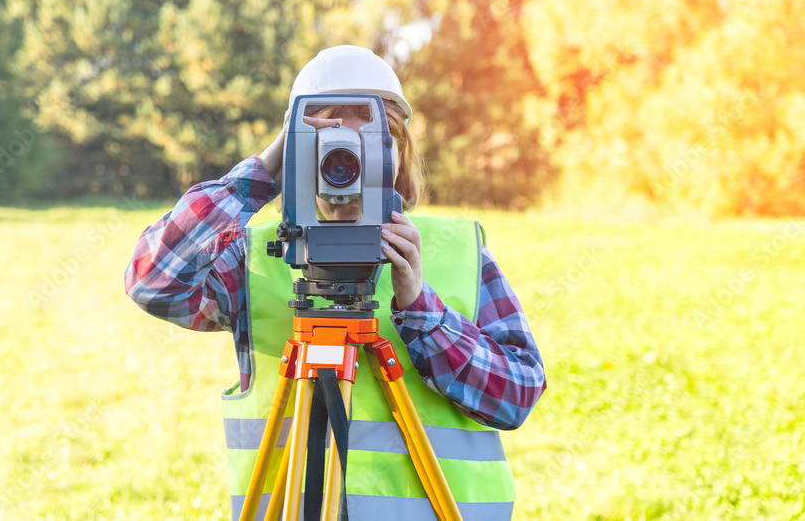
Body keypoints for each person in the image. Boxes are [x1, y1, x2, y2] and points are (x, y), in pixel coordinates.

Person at [125, 45, 546, 520]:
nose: (344, 163)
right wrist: (261, 173)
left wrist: (424, 315)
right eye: (323, 145)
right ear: (294, 154)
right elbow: (152, 280)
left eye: (365, 145)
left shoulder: (456, 251)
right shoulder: (255, 260)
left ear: (396, 156)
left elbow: (518, 395)